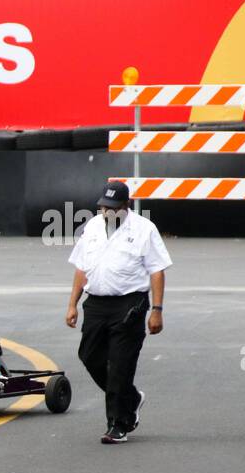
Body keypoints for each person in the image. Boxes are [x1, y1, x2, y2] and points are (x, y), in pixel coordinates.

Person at [65, 181, 170, 444]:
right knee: (89, 356)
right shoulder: (91, 227)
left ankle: (117, 424)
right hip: (96, 304)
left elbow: (157, 270)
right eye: (104, 207)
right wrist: (72, 304)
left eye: (113, 208)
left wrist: (156, 310)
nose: (107, 212)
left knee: (119, 367)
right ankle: (131, 398)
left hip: (130, 305)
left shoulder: (144, 229)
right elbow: (81, 267)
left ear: (126, 206)